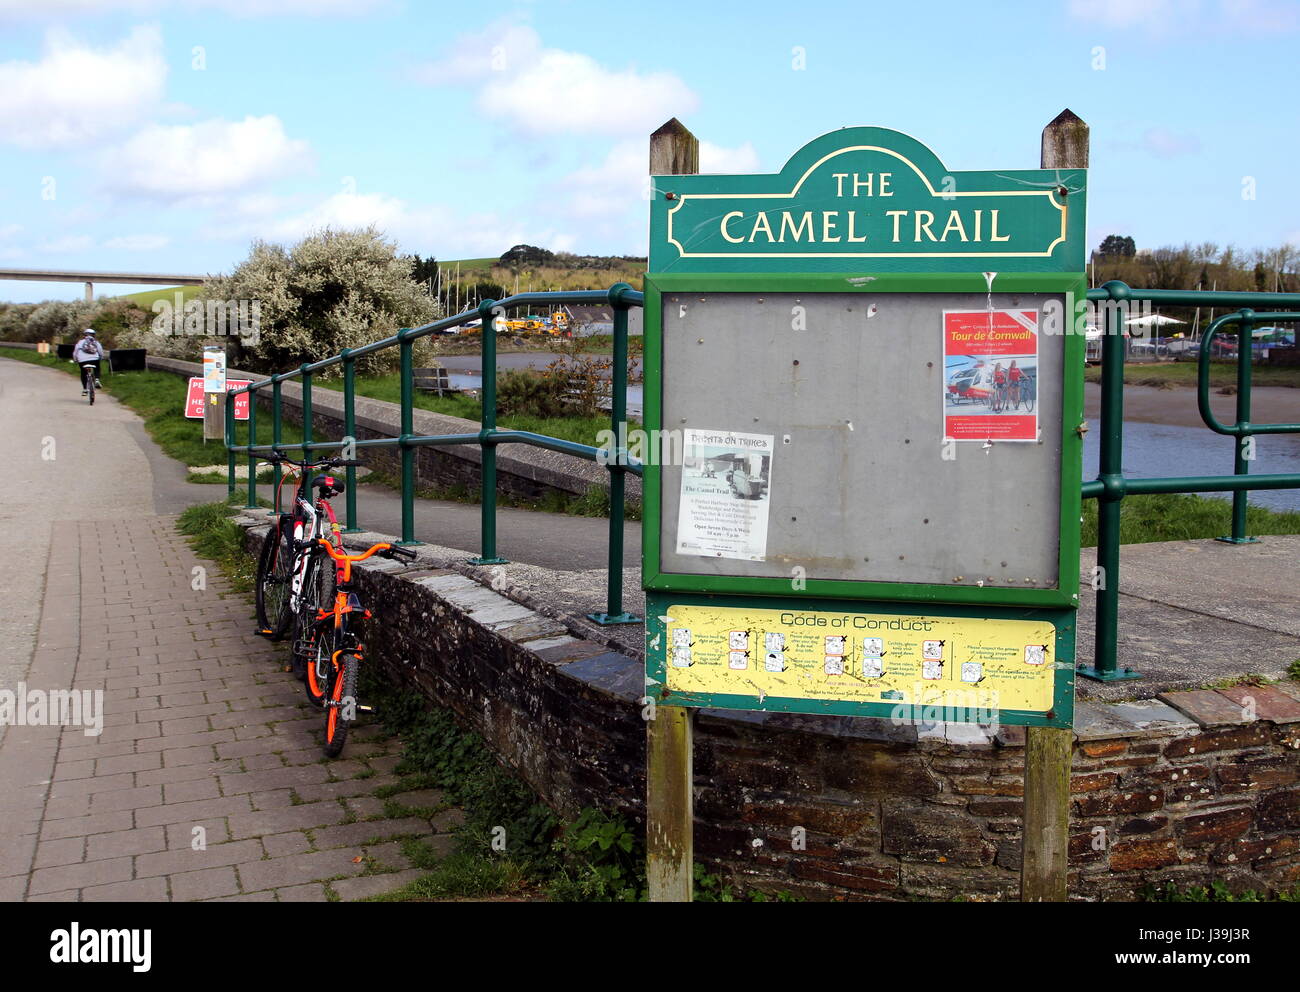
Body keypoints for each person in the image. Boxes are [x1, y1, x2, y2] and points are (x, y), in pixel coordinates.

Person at [72, 328, 105, 394]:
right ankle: (97, 379)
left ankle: (84, 389)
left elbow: (75, 352)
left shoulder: (80, 342)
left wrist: (75, 359)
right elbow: (100, 351)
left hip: (82, 360)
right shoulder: (96, 342)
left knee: (83, 373)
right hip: (94, 359)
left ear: (84, 335)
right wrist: (101, 357)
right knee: (97, 367)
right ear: (94, 335)